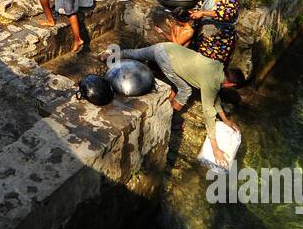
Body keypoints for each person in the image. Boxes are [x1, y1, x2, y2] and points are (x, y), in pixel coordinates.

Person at [103, 19, 245, 167]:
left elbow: (215, 99)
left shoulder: (217, 67)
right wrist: (215, 149)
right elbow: (209, 114)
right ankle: (167, 117)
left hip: (167, 48)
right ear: (231, 84)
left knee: (136, 54)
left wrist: (226, 120)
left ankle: (108, 55)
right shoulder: (212, 83)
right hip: (166, 57)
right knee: (186, 90)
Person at [171, 0, 241, 63]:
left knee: (211, 62)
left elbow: (226, 15)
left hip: (219, 37)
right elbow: (200, 5)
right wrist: (194, 12)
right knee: (198, 57)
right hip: (203, 33)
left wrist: (203, 13)